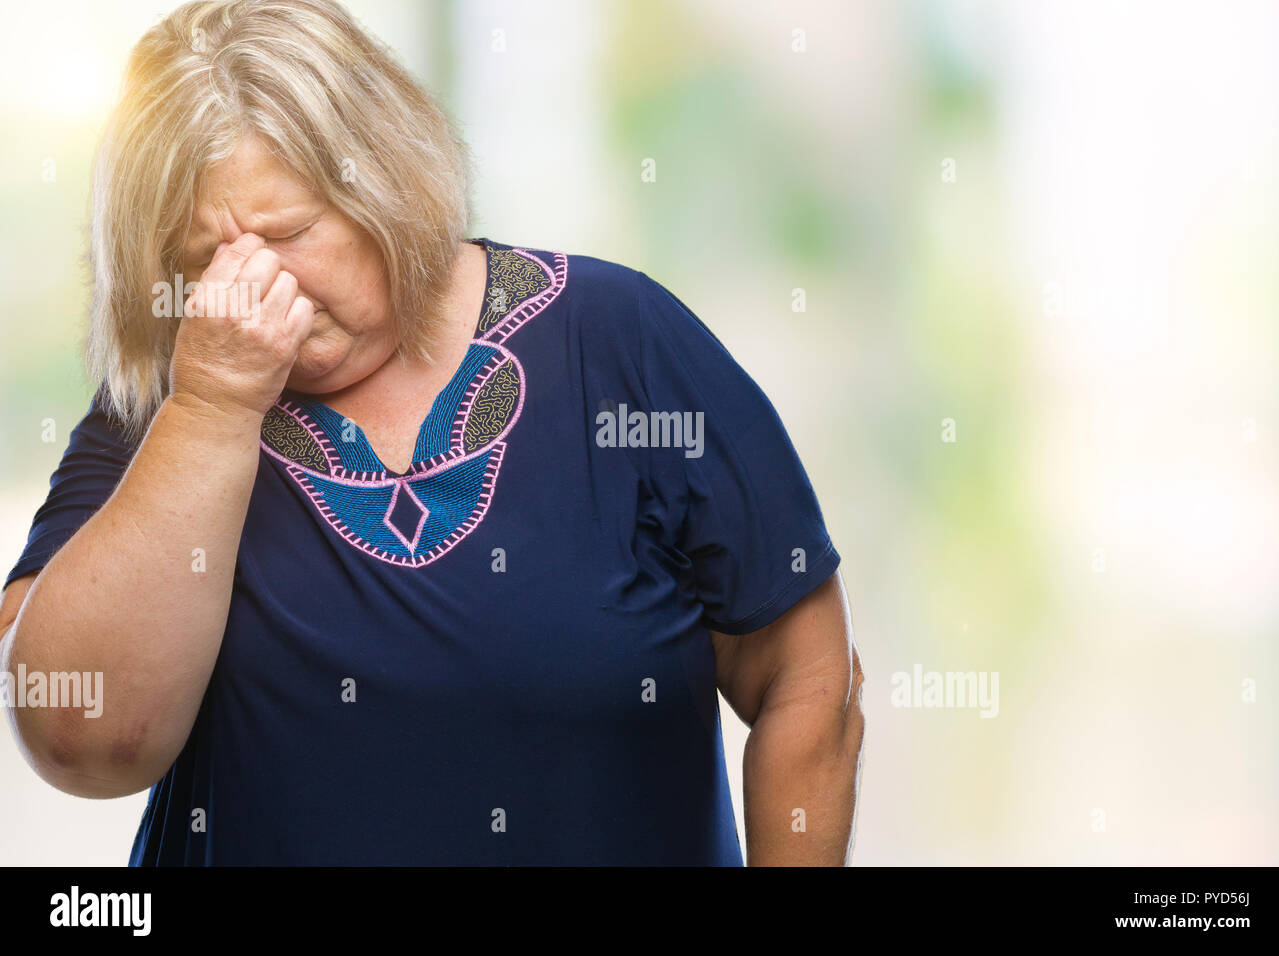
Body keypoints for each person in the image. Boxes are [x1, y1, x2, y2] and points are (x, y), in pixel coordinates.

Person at [0, 0, 864, 865]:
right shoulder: (158, 404)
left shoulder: (617, 338)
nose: (253, 282)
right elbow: (84, 738)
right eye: (202, 259)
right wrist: (213, 406)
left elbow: (807, 674)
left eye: (290, 232)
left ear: (383, 181)